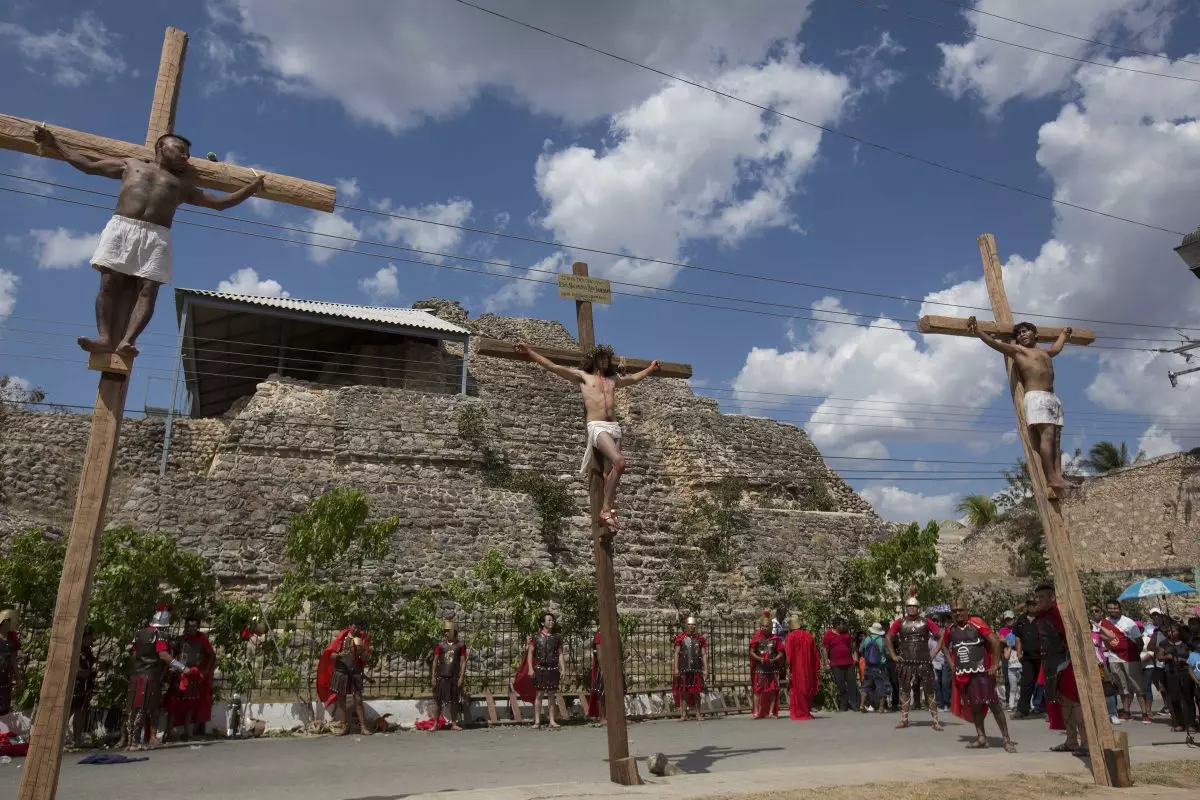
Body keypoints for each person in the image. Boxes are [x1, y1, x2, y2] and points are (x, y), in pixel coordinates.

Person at [33, 126, 265, 358]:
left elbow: (219, 203)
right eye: (180, 150)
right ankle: (104, 338)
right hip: (122, 227)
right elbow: (88, 166)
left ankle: (128, 341)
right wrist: (55, 144)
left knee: (148, 289)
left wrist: (251, 189)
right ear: (161, 147)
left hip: (157, 235)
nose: (185, 156)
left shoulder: (182, 185)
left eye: (187, 154)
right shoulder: (131, 165)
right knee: (108, 283)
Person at [513, 342, 660, 532]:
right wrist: (529, 352)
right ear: (595, 360)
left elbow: (633, 379)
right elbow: (553, 367)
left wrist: (650, 368)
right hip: (597, 426)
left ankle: (608, 512)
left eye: (608, 359)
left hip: (614, 427)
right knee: (620, 463)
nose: (605, 362)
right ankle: (605, 510)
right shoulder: (583, 377)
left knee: (609, 474)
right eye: (602, 358)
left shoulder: (612, 379)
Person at [967, 317, 1072, 497]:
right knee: (1046, 435)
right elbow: (994, 343)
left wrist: (1063, 335)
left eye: (1025, 331)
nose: (1022, 334)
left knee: (1056, 438)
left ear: (1035, 334)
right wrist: (978, 332)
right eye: (1019, 333)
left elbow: (1056, 348)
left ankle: (1058, 476)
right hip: (1036, 396)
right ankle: (1051, 478)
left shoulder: (1045, 353)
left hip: (1052, 397)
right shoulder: (1018, 351)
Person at [941, 599, 1017, 752]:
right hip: (965, 674)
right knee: (974, 705)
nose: (958, 613)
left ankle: (1006, 738)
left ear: (967, 610)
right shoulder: (951, 629)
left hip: (982, 671)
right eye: (955, 611)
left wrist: (995, 664)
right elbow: (943, 645)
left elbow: (994, 642)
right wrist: (951, 664)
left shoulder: (976, 623)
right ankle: (981, 737)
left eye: (961, 610)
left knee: (994, 704)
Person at [123, 605, 188, 750]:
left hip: (136, 674)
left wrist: (133, 671)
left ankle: (132, 742)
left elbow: (134, 656)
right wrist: (183, 668)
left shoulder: (139, 633)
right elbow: (163, 655)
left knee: (134, 708)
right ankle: (134, 742)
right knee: (143, 707)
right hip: (150, 675)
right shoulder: (160, 635)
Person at [1033, 584, 1087, 755]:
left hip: (1065, 662)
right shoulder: (1043, 616)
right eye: (1038, 597)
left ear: (1052, 598)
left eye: (1042, 597)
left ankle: (1086, 742)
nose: (1038, 600)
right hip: (1051, 662)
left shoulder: (1058, 614)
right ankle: (1071, 741)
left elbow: (1070, 637)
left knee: (1075, 703)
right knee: (1064, 703)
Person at [886, 598, 943, 729]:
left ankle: (935, 721)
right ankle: (904, 719)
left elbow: (941, 635)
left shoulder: (926, 622)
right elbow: (888, 637)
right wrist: (893, 655)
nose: (912, 608)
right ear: (906, 608)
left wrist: (933, 653)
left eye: (914, 606)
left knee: (929, 691)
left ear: (918, 608)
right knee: (905, 690)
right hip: (906, 662)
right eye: (909, 606)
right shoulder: (899, 622)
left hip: (924, 661)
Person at [164, 614, 215, 742]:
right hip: (179, 674)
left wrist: (205, 670)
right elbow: (171, 654)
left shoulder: (202, 640)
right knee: (173, 704)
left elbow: (211, 655)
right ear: (185, 627)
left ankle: (188, 732)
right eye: (189, 626)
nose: (192, 629)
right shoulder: (180, 640)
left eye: (194, 626)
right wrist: (172, 669)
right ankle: (168, 732)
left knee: (190, 706)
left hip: (193, 675)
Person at [317, 618, 372, 736]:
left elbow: (366, 659)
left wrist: (362, 652)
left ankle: (363, 726)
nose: (356, 629)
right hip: (341, 671)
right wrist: (339, 655)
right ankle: (343, 726)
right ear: (350, 626)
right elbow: (331, 655)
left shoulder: (363, 639)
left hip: (355, 671)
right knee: (341, 700)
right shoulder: (342, 638)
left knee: (358, 699)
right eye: (354, 626)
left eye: (359, 627)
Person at [1099, 599, 1149, 724]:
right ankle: (1126, 712)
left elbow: (1139, 642)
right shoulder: (1103, 622)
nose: (1112, 610)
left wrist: (1133, 656)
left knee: (1137, 686)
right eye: (1110, 608)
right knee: (1122, 686)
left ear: (1120, 609)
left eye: (1115, 608)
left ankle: (1145, 713)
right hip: (1114, 658)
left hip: (1130, 659)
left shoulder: (1129, 622)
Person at [525, 612, 564, 730]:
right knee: (539, 694)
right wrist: (530, 668)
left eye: (552, 620)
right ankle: (537, 721)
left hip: (552, 668)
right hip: (540, 668)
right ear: (543, 623)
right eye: (549, 620)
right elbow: (530, 653)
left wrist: (563, 668)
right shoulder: (536, 637)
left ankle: (552, 720)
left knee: (552, 695)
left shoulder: (557, 638)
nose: (551, 622)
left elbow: (560, 653)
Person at [1157, 622, 1195, 733]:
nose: (1171, 633)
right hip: (1170, 672)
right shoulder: (1164, 643)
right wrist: (1166, 656)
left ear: (1178, 631)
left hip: (1185, 672)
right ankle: (1179, 722)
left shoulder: (1186, 643)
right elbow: (1159, 657)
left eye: (1173, 631)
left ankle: (1191, 723)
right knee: (1174, 699)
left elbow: (1193, 657)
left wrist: (1183, 660)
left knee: (1188, 698)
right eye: (1168, 631)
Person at [430, 621, 468, 731]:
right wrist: (433, 676)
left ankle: (454, 723)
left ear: (453, 631)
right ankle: (435, 724)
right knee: (438, 700)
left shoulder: (460, 646)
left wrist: (461, 677)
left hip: (454, 677)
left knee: (454, 700)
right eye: (445, 631)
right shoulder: (440, 645)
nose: (446, 633)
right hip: (441, 677)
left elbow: (463, 662)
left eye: (448, 631)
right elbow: (435, 661)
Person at [784, 615, 819, 721]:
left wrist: (787, 669)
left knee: (797, 689)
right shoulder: (809, 636)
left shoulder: (790, 637)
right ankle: (806, 711)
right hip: (808, 667)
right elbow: (815, 654)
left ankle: (800, 712)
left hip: (796, 668)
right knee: (807, 688)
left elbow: (788, 655)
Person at [750, 611, 784, 719]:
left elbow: (781, 653)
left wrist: (774, 659)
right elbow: (752, 652)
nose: (765, 628)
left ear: (771, 627)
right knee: (757, 690)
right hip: (760, 667)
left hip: (772, 668)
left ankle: (771, 712)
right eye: (763, 626)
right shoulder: (757, 638)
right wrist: (759, 658)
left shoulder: (775, 639)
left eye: (767, 626)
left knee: (773, 690)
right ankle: (756, 712)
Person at [1012, 598, 1042, 718]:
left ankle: (1046, 709)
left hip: (1042, 656)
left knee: (1046, 683)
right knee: (1026, 683)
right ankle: (1022, 710)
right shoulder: (1021, 620)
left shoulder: (1042, 618)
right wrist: (1019, 653)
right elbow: (1018, 637)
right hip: (1028, 657)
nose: (1032, 606)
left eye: (1035, 604)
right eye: (1030, 604)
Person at [673, 617, 708, 721]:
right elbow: (676, 653)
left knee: (697, 692)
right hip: (684, 668)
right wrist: (676, 668)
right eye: (689, 624)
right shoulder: (681, 638)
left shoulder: (700, 638)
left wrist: (706, 669)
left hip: (696, 669)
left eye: (693, 624)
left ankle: (698, 714)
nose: (692, 626)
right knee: (684, 693)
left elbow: (704, 654)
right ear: (686, 625)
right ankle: (683, 714)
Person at [69, 625, 97, 747]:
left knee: (81, 712)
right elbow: (77, 670)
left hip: (86, 686)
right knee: (68, 712)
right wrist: (90, 672)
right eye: (90, 636)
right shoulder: (76, 650)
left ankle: (77, 739)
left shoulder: (88, 651)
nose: (92, 639)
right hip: (75, 685)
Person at [823, 618, 858, 712]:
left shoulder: (847, 634)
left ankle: (854, 703)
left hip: (849, 662)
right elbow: (825, 649)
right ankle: (844, 704)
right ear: (837, 625)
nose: (844, 626)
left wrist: (855, 657)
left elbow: (853, 647)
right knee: (840, 684)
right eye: (843, 624)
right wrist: (826, 663)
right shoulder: (828, 634)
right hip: (836, 664)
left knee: (852, 682)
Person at [859, 622, 891, 714]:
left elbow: (861, 650)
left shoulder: (866, 639)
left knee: (866, 686)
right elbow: (888, 653)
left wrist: (866, 657)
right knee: (882, 686)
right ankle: (881, 708)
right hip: (879, 667)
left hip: (868, 666)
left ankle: (862, 705)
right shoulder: (882, 640)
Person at [0, 610, 22, 726]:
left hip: (5, 680)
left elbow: (13, 662)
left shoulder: (12, 641)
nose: (9, 625)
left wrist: (18, 679)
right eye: (6, 622)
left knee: (4, 710)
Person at [1004, 628, 1023, 712]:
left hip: (1020, 668)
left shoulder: (1020, 648)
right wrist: (1010, 647)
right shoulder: (1007, 649)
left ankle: (1024, 704)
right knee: (1013, 688)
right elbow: (1006, 657)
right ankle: (1011, 705)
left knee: (1023, 687)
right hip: (1011, 669)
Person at [588, 629, 605, 722]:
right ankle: (602, 717)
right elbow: (600, 652)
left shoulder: (613, 632)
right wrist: (602, 668)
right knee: (602, 692)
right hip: (603, 667)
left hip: (614, 666)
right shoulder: (599, 634)